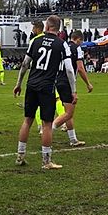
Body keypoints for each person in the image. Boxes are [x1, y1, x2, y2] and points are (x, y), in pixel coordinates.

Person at [13, 15, 76, 170]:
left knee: (27, 120)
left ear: (47, 27)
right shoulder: (62, 44)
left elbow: (25, 64)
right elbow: (68, 68)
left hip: (31, 85)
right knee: (47, 124)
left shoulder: (35, 41)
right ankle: (46, 161)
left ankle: (20, 156)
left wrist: (18, 84)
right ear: (59, 29)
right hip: (47, 87)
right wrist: (73, 90)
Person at [53, 30, 94, 146]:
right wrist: (88, 83)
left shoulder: (64, 47)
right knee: (69, 113)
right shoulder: (77, 48)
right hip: (67, 82)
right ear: (79, 39)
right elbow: (80, 68)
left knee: (68, 111)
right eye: (81, 41)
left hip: (58, 80)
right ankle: (49, 129)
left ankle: (73, 139)